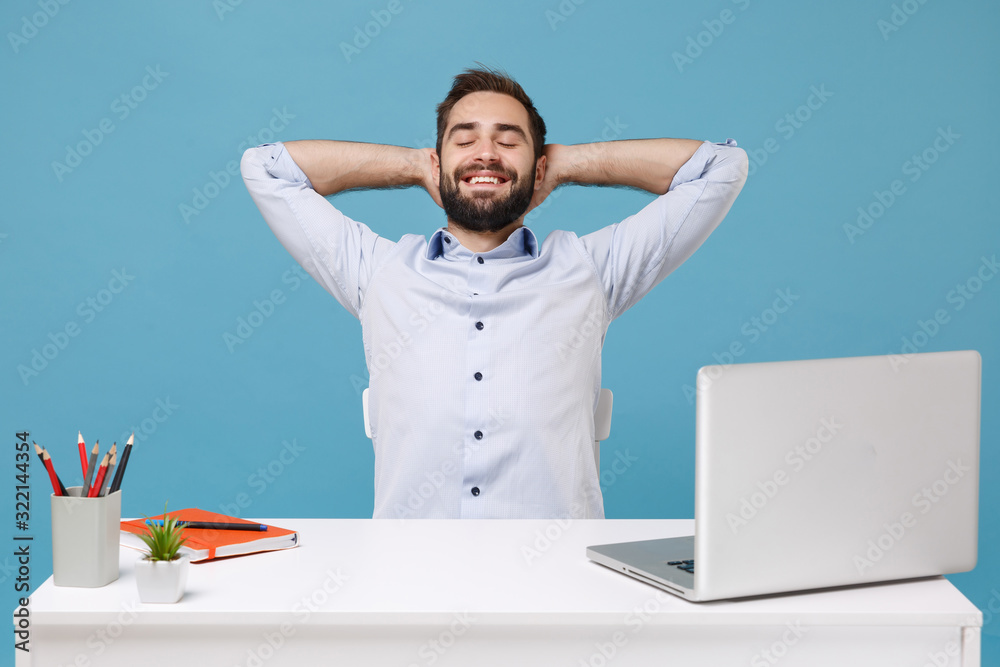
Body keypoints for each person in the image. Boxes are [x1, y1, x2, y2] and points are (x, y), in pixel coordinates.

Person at [241, 66, 747, 520]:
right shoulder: (380, 272)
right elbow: (265, 168)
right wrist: (416, 166)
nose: (486, 153)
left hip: (557, 589)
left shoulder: (590, 270)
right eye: (464, 140)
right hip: (411, 583)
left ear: (539, 166)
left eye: (509, 141)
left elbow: (721, 168)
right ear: (439, 163)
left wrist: (567, 163)